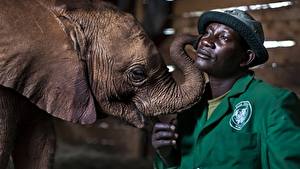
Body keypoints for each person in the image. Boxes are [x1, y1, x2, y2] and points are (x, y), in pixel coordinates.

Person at [152, 9, 300, 169]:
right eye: (207, 33)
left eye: (223, 37)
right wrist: (168, 156)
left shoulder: (273, 104)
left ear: (246, 57)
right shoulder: (190, 108)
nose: (206, 41)